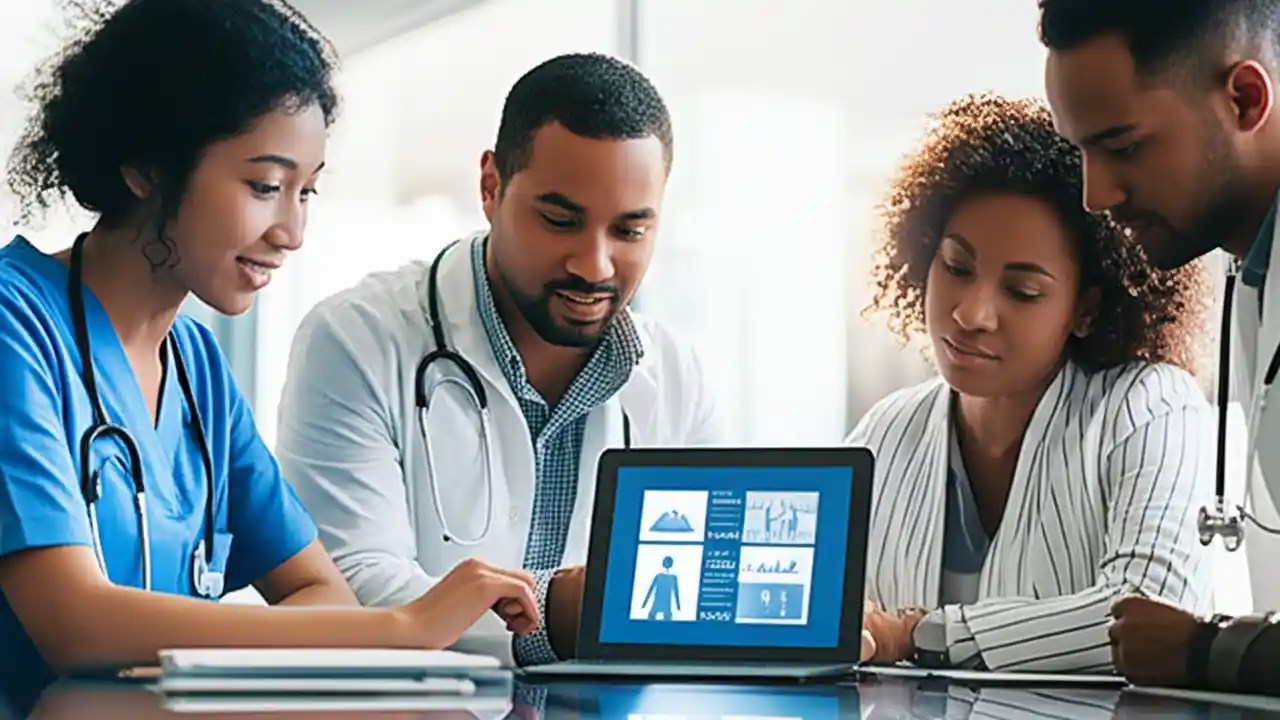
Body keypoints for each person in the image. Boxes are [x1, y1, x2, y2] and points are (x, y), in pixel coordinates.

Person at [0, 0, 538, 711]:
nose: (291, 231)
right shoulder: (15, 326)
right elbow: (74, 623)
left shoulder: (195, 367)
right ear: (146, 166)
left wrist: (180, 648)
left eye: (305, 191)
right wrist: (402, 628)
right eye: (265, 187)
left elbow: (321, 591)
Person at [275, 52, 721, 666]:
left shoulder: (677, 377)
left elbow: (697, 596)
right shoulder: (355, 340)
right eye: (560, 221)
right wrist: (554, 613)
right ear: (491, 187)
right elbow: (345, 586)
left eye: (629, 232)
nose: (594, 265)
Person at [847, 93, 1215, 672]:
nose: (972, 313)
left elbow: (1153, 614)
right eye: (956, 267)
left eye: (1022, 292)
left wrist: (918, 635)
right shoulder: (885, 432)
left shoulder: (1150, 409)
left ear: (1085, 309)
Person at [1039, 0, 1280, 695]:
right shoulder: (1250, 272)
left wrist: (1207, 650)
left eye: (1123, 147)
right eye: (1080, 151)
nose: (1095, 195)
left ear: (1245, 98)